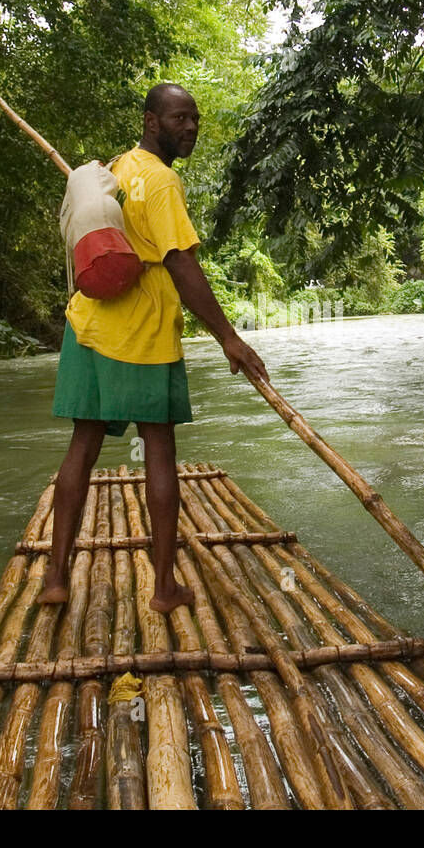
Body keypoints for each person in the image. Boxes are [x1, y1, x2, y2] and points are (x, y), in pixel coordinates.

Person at [39, 83, 268, 613]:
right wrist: (228, 337)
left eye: (194, 120)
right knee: (159, 451)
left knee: (83, 446)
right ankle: (164, 589)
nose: (189, 128)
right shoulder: (162, 182)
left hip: (87, 324)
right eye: (179, 118)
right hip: (139, 332)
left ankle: (56, 578)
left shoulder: (115, 168)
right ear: (151, 121)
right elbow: (182, 264)